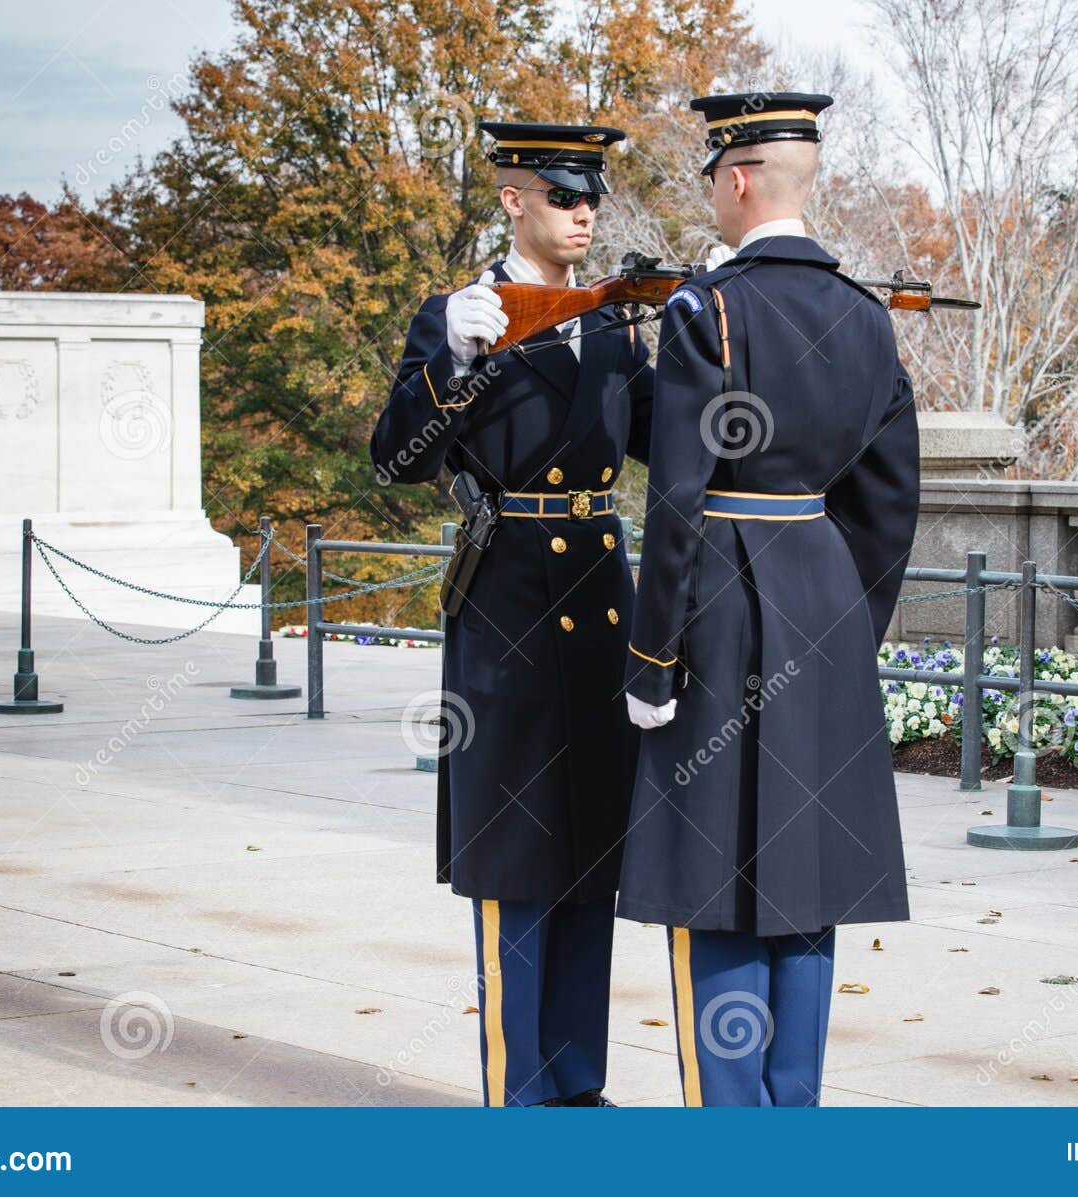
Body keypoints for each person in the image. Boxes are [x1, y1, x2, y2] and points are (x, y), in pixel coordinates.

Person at [618, 92, 921, 1106]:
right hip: (823, 595)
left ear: (740, 179)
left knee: (709, 880)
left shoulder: (707, 311)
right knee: (806, 879)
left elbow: (675, 496)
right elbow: (889, 502)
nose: (713, 190)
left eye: (714, 175)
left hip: (718, 598)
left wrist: (651, 658)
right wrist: (849, 626)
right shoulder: (868, 317)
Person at [371, 120, 654, 1107]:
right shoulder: (455, 316)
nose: (584, 214)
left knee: (591, 856)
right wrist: (452, 366)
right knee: (516, 859)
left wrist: (722, 340)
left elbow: (674, 434)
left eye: (592, 199)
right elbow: (397, 460)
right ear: (512, 200)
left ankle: (578, 1089)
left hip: (602, 605)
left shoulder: (610, 324)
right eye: (564, 196)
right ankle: (518, 1102)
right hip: (509, 612)